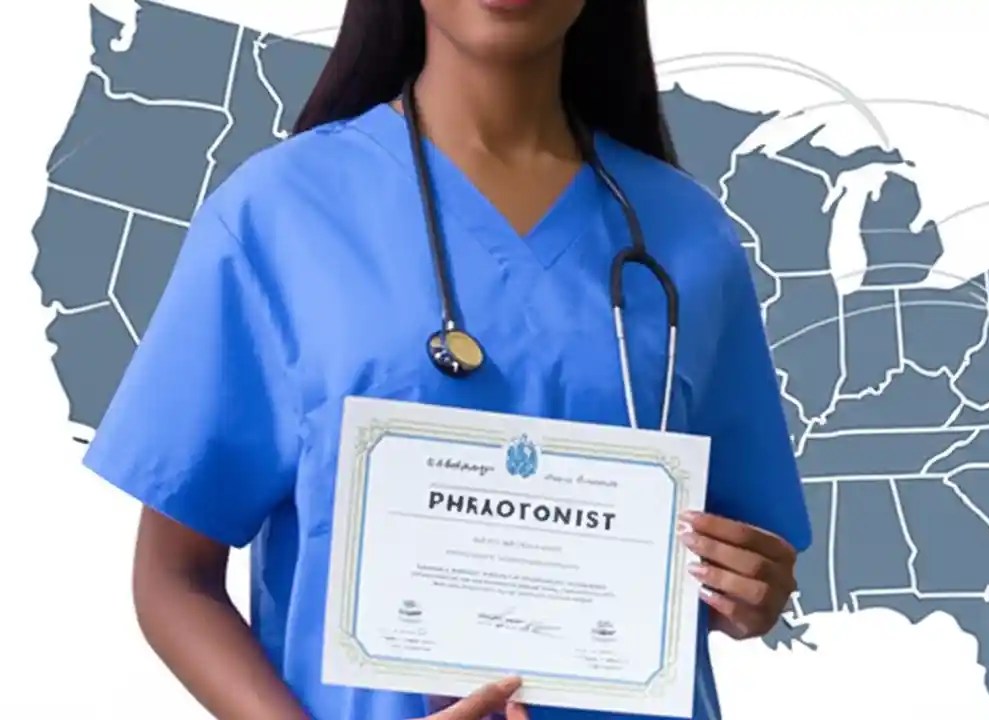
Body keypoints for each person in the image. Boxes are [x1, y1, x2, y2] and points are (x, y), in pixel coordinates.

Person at [82, 1, 812, 718]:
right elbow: (175, 581)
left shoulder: (689, 236)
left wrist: (750, 593)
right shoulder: (278, 214)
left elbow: (740, 558)